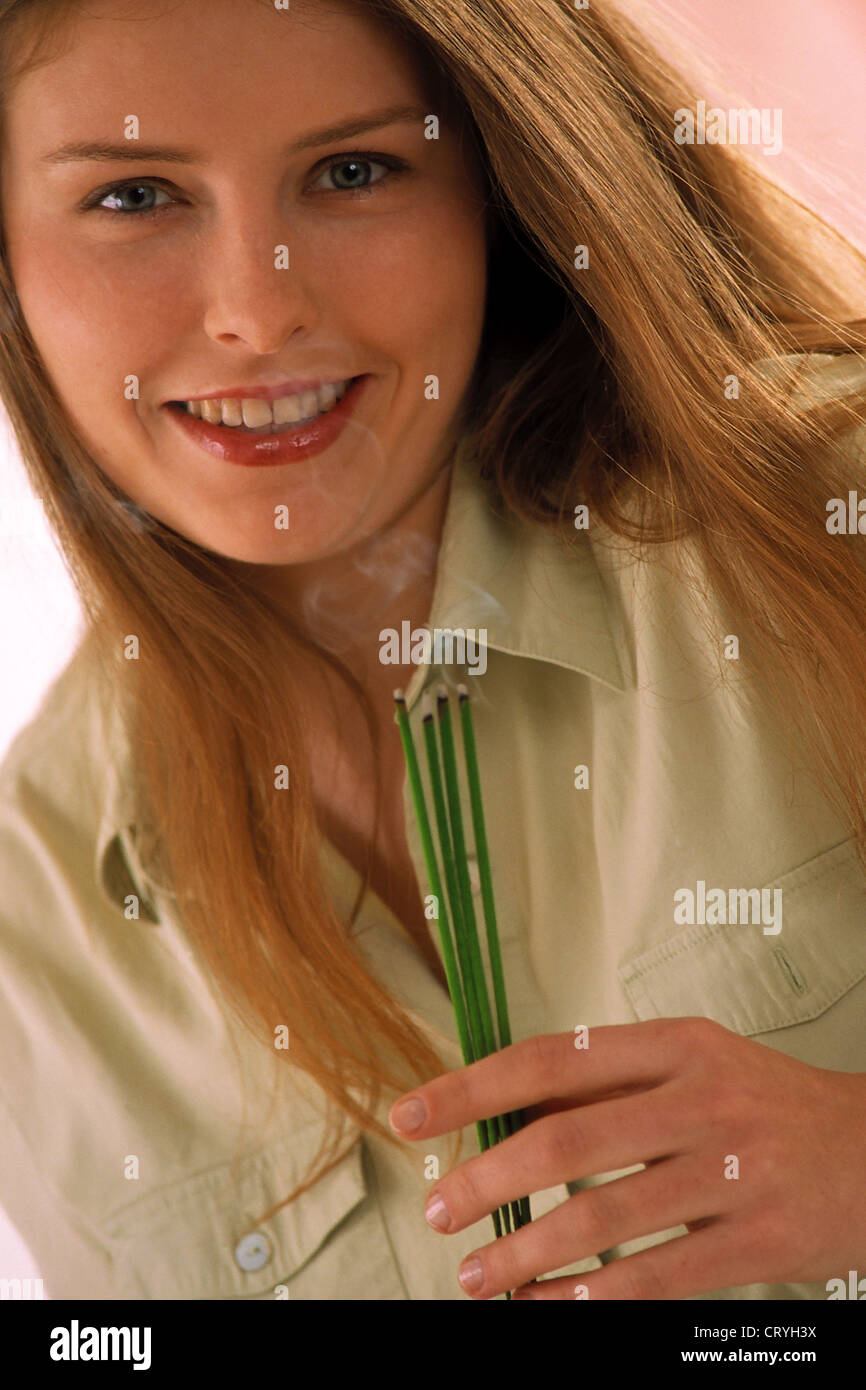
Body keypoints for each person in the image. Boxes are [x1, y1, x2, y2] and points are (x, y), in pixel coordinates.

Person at [1, 0, 865, 1302]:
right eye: (134, 196)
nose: (257, 311)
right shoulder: (29, 922)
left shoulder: (828, 520)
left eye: (351, 171)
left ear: (495, 183)